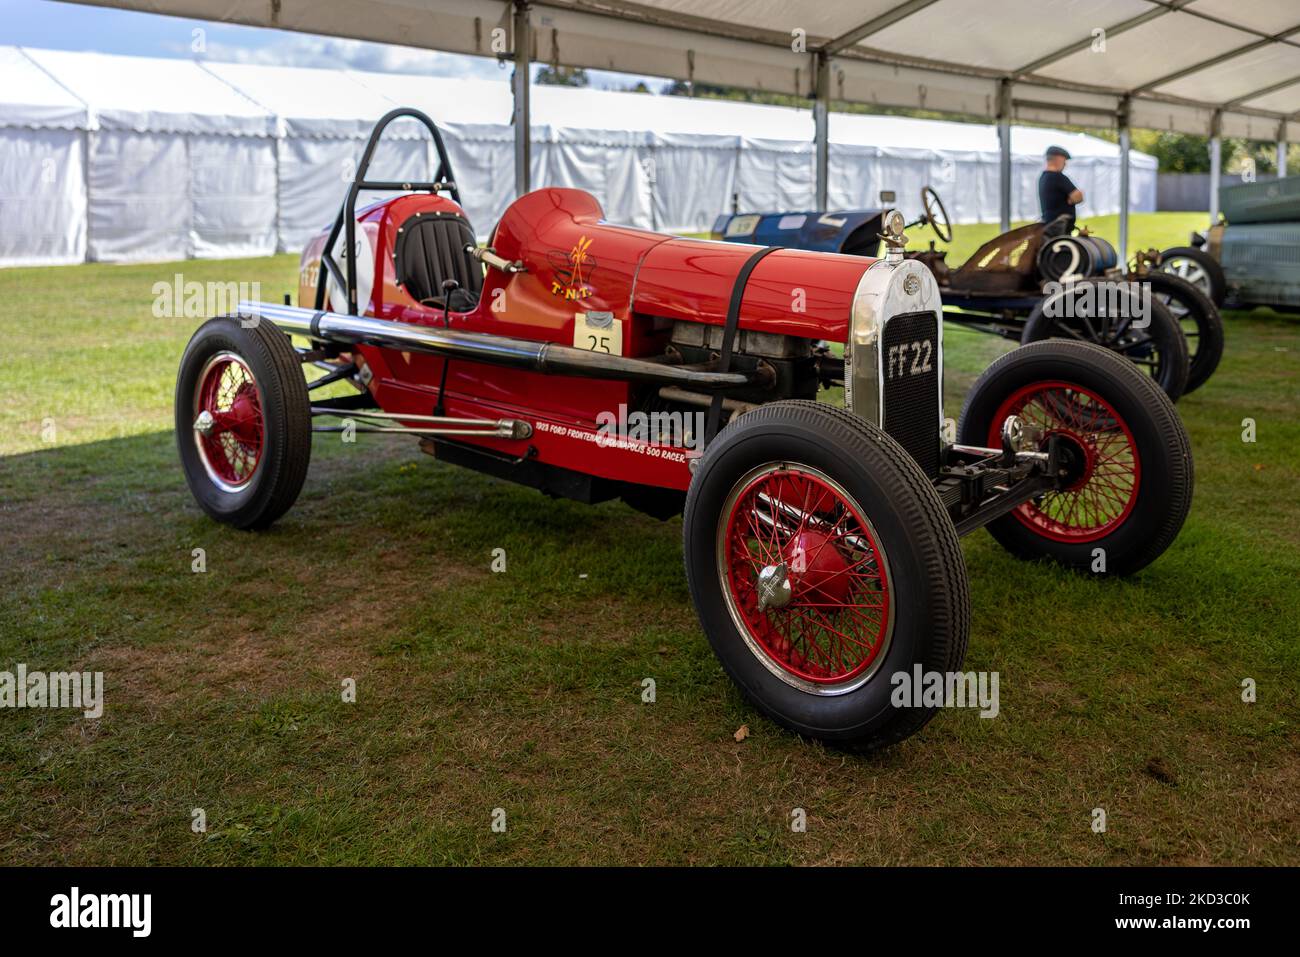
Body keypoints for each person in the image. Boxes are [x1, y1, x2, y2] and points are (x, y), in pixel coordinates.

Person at [1038, 145, 1083, 229]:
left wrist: (1072, 198)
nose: (1065, 163)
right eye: (1064, 160)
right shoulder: (1058, 177)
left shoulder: (1044, 177)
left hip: (1050, 227)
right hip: (1059, 230)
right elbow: (1078, 197)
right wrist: (1072, 198)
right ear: (1057, 158)